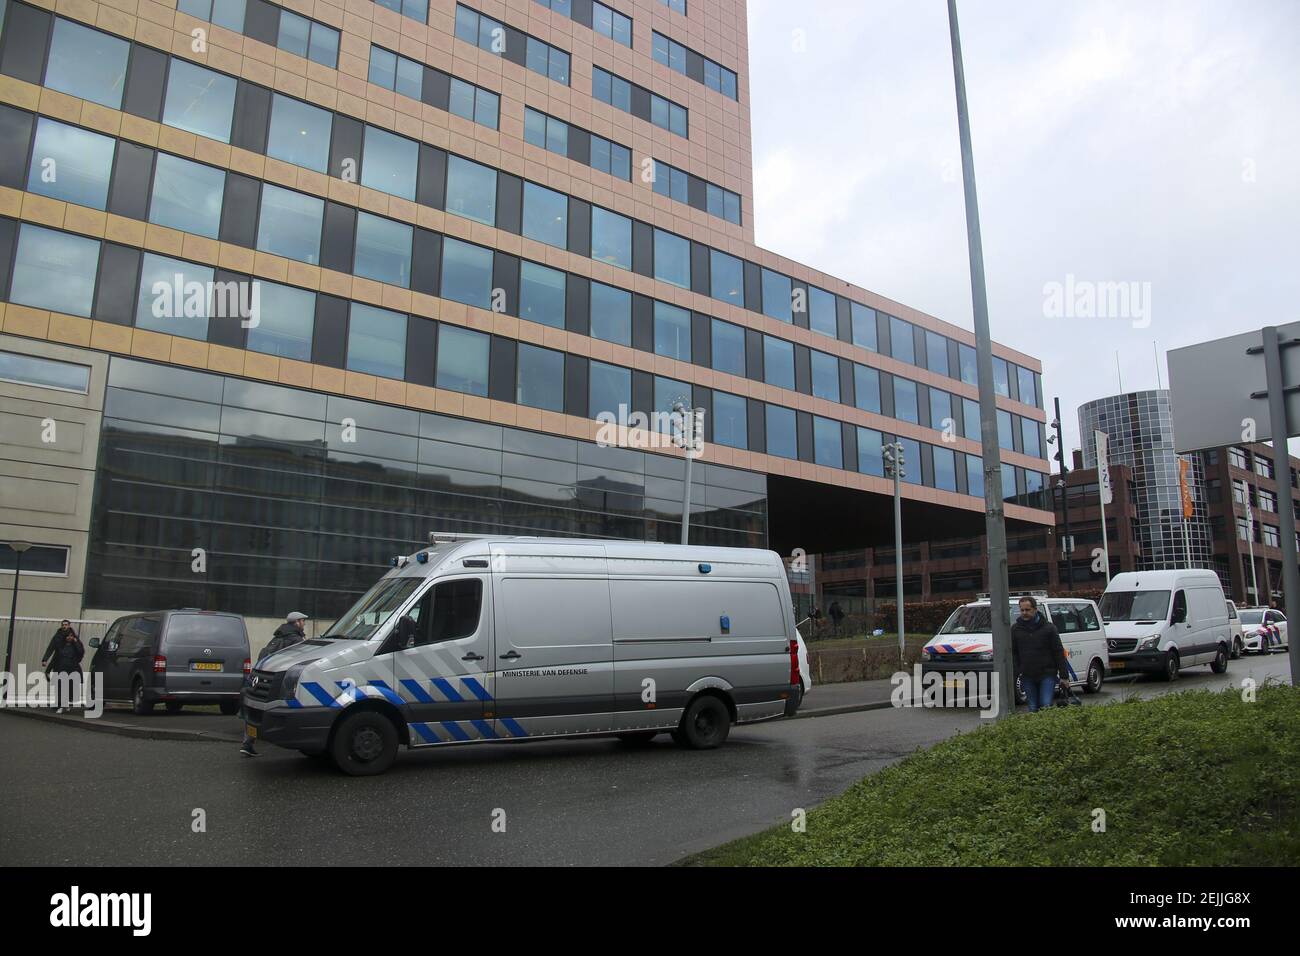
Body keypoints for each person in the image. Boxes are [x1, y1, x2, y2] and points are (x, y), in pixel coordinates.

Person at [240, 612, 309, 757]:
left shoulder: (279, 636)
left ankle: (248, 743)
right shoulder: (295, 639)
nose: (304, 623)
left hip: (262, 680)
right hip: (278, 681)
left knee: (256, 713)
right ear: (296, 622)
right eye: (303, 621)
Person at [1011, 596, 1069, 713]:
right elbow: (1014, 653)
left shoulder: (1049, 628)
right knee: (1032, 707)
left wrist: (1064, 676)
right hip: (1027, 675)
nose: (1024, 613)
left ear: (1035, 609)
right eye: (1022, 610)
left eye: (1027, 610)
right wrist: (1016, 672)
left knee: (1045, 705)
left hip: (1047, 674)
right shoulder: (1016, 629)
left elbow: (1058, 652)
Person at [40, 621, 84, 714]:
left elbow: (81, 651)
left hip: (71, 667)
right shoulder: (58, 638)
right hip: (60, 666)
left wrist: (75, 643)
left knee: (69, 687)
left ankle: (66, 703)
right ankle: (60, 704)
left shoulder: (75, 639)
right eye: (63, 625)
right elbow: (51, 649)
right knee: (60, 686)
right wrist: (45, 660)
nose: (64, 627)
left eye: (66, 625)